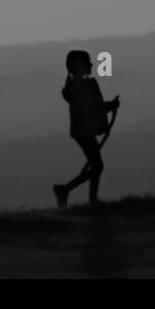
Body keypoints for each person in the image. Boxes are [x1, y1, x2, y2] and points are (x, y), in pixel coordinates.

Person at [52, 50, 119, 208]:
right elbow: (94, 108)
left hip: (82, 131)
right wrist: (111, 106)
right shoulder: (81, 87)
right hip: (84, 132)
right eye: (87, 62)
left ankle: (90, 199)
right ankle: (68, 190)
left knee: (96, 166)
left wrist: (108, 106)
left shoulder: (74, 87)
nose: (91, 64)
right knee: (97, 166)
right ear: (78, 65)